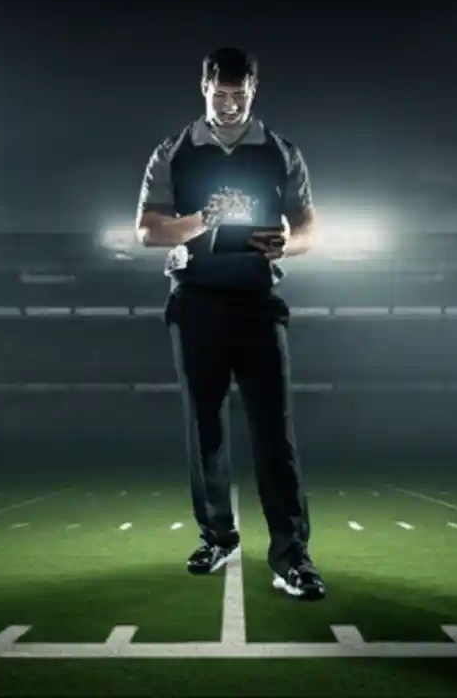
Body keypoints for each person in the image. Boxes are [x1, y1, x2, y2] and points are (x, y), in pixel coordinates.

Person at [134, 46, 326, 600]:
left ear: (254, 90)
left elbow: (312, 228)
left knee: (274, 430)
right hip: (195, 298)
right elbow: (146, 230)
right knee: (206, 427)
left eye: (240, 95)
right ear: (204, 87)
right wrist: (201, 223)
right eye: (221, 94)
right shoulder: (173, 151)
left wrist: (290, 241)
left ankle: (292, 556)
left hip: (258, 300)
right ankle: (216, 536)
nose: (230, 104)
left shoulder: (281, 151)